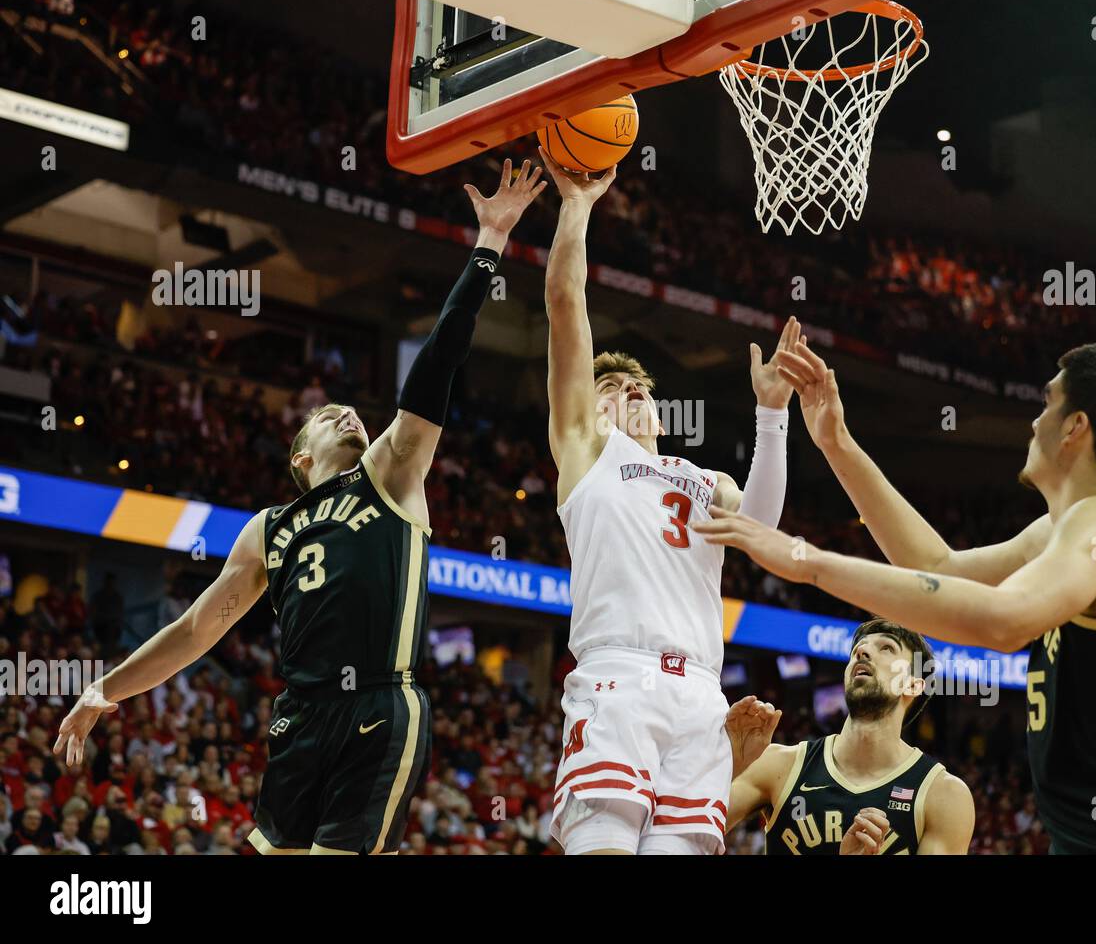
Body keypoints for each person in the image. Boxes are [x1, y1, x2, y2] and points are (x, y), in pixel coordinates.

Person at [52, 160, 547, 855]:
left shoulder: (392, 476)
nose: (347, 412)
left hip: (377, 706)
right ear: (300, 459)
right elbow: (196, 632)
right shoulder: (267, 530)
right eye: (324, 416)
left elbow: (439, 360)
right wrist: (101, 691)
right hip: (297, 719)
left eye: (351, 412)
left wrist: (488, 244)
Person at [695, 342, 1096, 854]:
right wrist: (835, 441)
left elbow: (1002, 623)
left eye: (1047, 401)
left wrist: (802, 560)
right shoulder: (1055, 534)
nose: (1033, 419)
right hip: (1084, 839)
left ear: (1076, 426)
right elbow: (936, 568)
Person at [537, 150, 796, 855]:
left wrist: (771, 414)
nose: (632, 394)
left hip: (701, 699)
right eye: (613, 390)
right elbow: (565, 306)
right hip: (619, 677)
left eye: (640, 388)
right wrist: (578, 207)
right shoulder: (589, 455)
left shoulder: (703, 478)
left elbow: (763, 529)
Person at [727, 618, 973, 855]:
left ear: (911, 685)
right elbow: (691, 830)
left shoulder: (943, 795)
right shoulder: (777, 764)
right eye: (858, 649)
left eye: (886, 648)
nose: (862, 652)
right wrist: (733, 763)